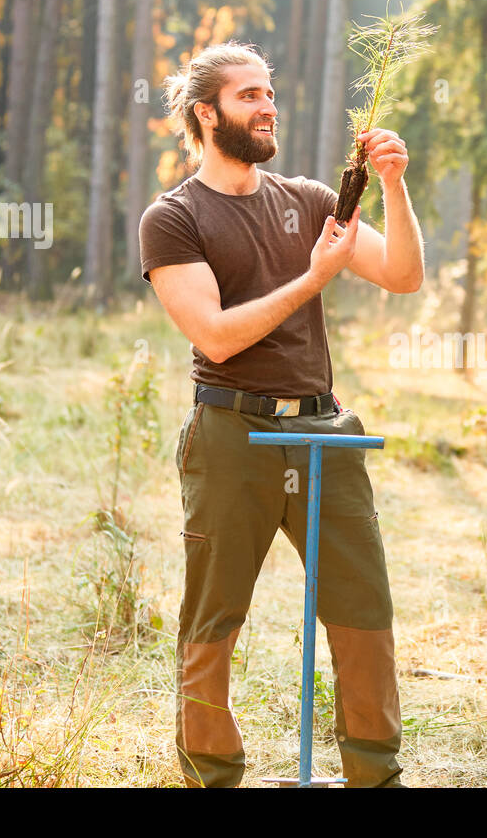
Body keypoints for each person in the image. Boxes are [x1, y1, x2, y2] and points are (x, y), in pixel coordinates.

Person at [139, 41, 424, 787]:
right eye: (249, 96)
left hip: (325, 432)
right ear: (207, 114)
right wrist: (313, 277)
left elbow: (402, 274)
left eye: (270, 93)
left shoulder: (307, 200)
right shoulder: (173, 218)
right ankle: (214, 774)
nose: (268, 107)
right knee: (214, 617)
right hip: (232, 434)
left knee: (364, 611)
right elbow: (218, 336)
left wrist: (393, 185)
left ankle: (373, 774)